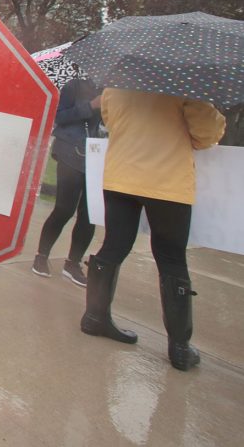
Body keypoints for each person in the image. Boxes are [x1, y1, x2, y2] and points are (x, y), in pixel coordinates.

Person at [81, 88, 225, 371]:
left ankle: (94, 317)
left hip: (120, 177)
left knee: (114, 246)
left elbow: (110, 119)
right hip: (166, 183)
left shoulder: (118, 85)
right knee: (171, 259)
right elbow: (207, 135)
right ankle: (180, 348)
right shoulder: (186, 87)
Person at [32, 76, 101, 286]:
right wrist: (91, 105)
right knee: (64, 209)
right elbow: (60, 116)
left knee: (90, 214)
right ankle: (41, 256)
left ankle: (73, 263)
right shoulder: (75, 86)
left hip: (98, 157)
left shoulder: (115, 92)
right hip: (70, 153)